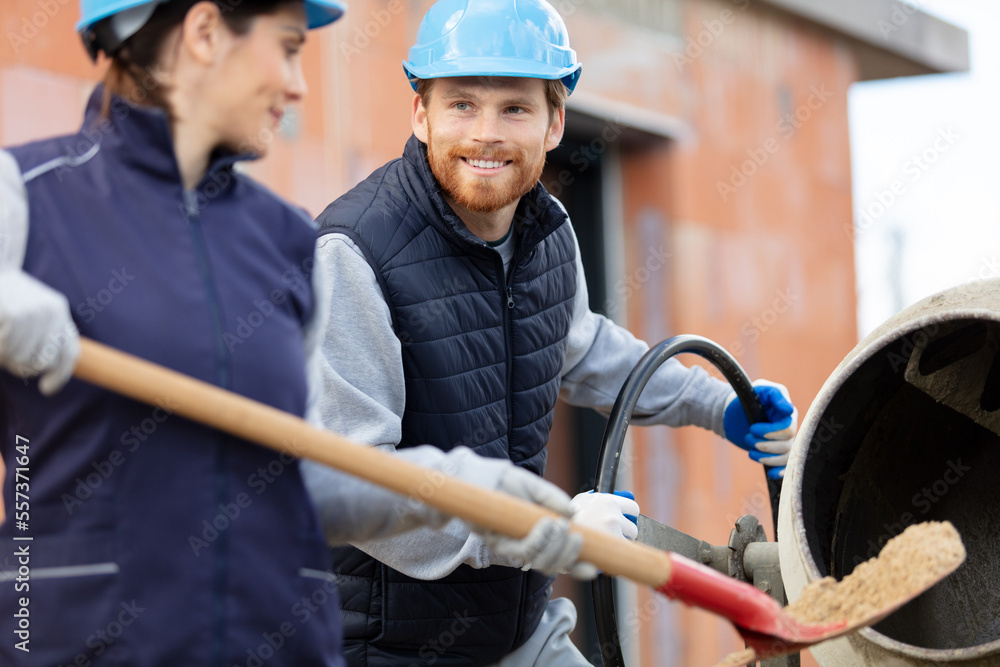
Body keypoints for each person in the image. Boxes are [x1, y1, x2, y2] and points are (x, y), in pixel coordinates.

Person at [0, 1, 597, 665]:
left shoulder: (283, 238)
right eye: (286, 49)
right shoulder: (26, 196)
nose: (299, 84)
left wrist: (470, 494)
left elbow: (306, 477)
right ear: (203, 33)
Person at [309, 0, 799, 664]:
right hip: (389, 646)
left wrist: (719, 406)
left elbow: (582, 348)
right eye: (461, 105)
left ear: (555, 121)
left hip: (519, 628)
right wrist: (547, 526)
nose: (486, 133)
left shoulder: (549, 233)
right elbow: (359, 482)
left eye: (514, 108)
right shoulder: (353, 253)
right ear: (420, 114)